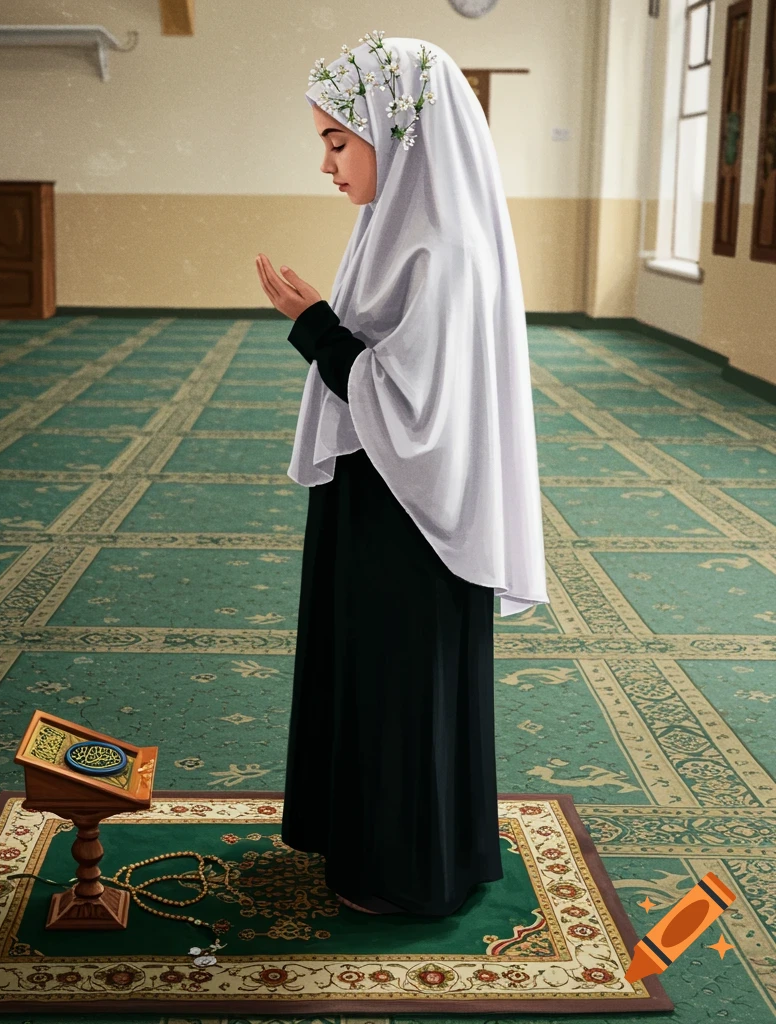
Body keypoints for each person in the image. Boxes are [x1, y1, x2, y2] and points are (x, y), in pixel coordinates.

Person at [254, 33, 549, 916]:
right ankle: (363, 843)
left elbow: (412, 408)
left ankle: (406, 873)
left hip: (416, 520)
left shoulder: (444, 250)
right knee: (366, 677)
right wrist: (322, 324)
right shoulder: (395, 231)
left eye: (338, 141)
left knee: (400, 687)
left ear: (397, 129)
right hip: (379, 498)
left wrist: (313, 324)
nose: (326, 164)